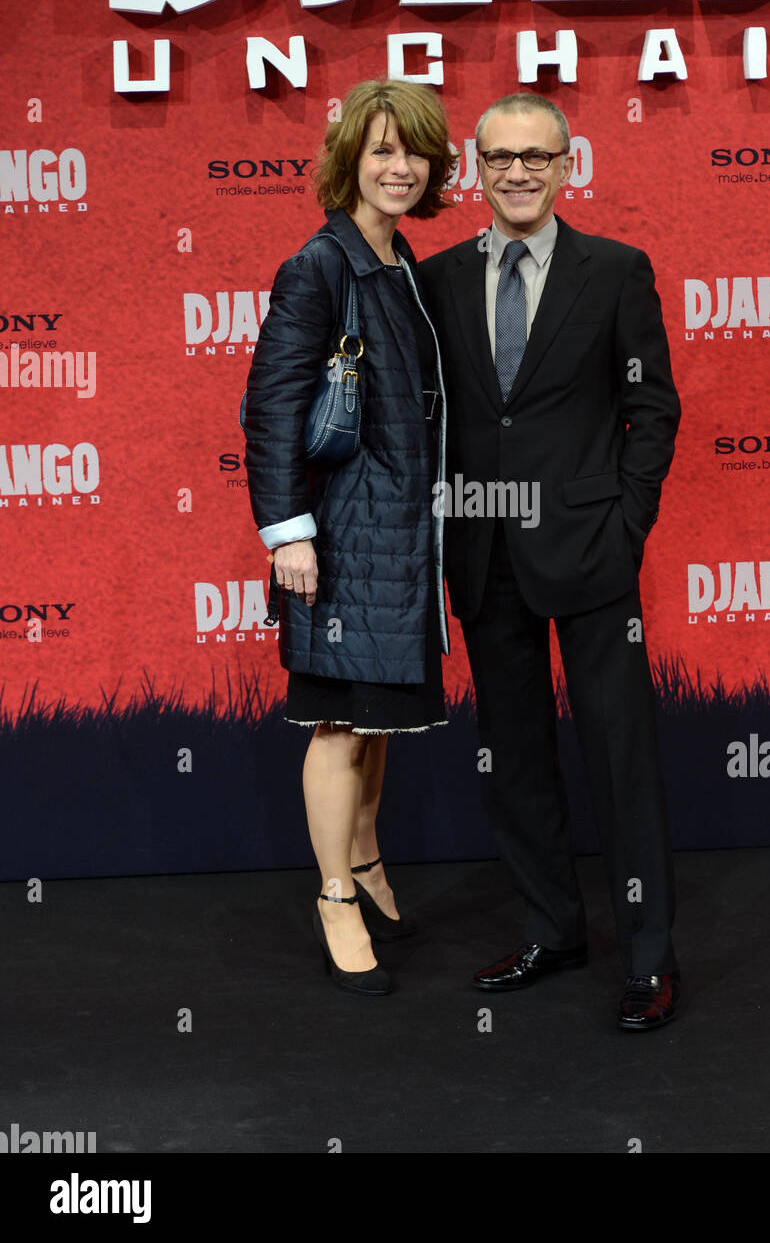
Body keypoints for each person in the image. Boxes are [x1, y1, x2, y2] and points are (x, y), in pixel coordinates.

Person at [419, 93, 682, 1031]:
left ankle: (647, 958)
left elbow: (650, 409)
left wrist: (626, 523)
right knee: (515, 758)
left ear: (568, 165)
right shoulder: (439, 278)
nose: (518, 172)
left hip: (590, 548)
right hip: (484, 547)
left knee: (621, 758)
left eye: (537, 156)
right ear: (473, 172)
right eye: (500, 158)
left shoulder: (614, 271)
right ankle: (552, 927)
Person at [243, 80, 453, 996]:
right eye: (380, 150)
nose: (398, 167)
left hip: (400, 533)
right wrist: (289, 533)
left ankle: (365, 865)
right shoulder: (319, 263)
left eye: (412, 152)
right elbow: (272, 404)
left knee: (378, 722)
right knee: (337, 723)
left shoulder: (397, 256)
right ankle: (334, 893)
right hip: (342, 533)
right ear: (348, 162)